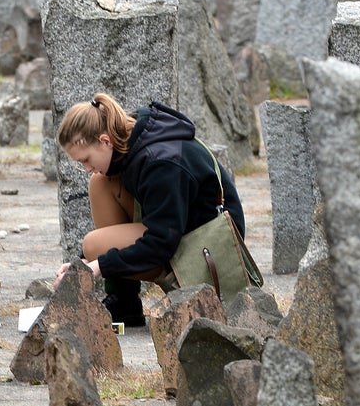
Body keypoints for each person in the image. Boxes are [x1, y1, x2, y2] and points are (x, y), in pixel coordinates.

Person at [54, 93, 246, 327]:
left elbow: (160, 245)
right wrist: (81, 263)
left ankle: (122, 297)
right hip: (178, 229)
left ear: (105, 141)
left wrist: (98, 265)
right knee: (100, 182)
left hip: (206, 247)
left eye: (86, 159)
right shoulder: (132, 139)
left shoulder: (160, 162)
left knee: (94, 244)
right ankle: (124, 302)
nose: (85, 168)